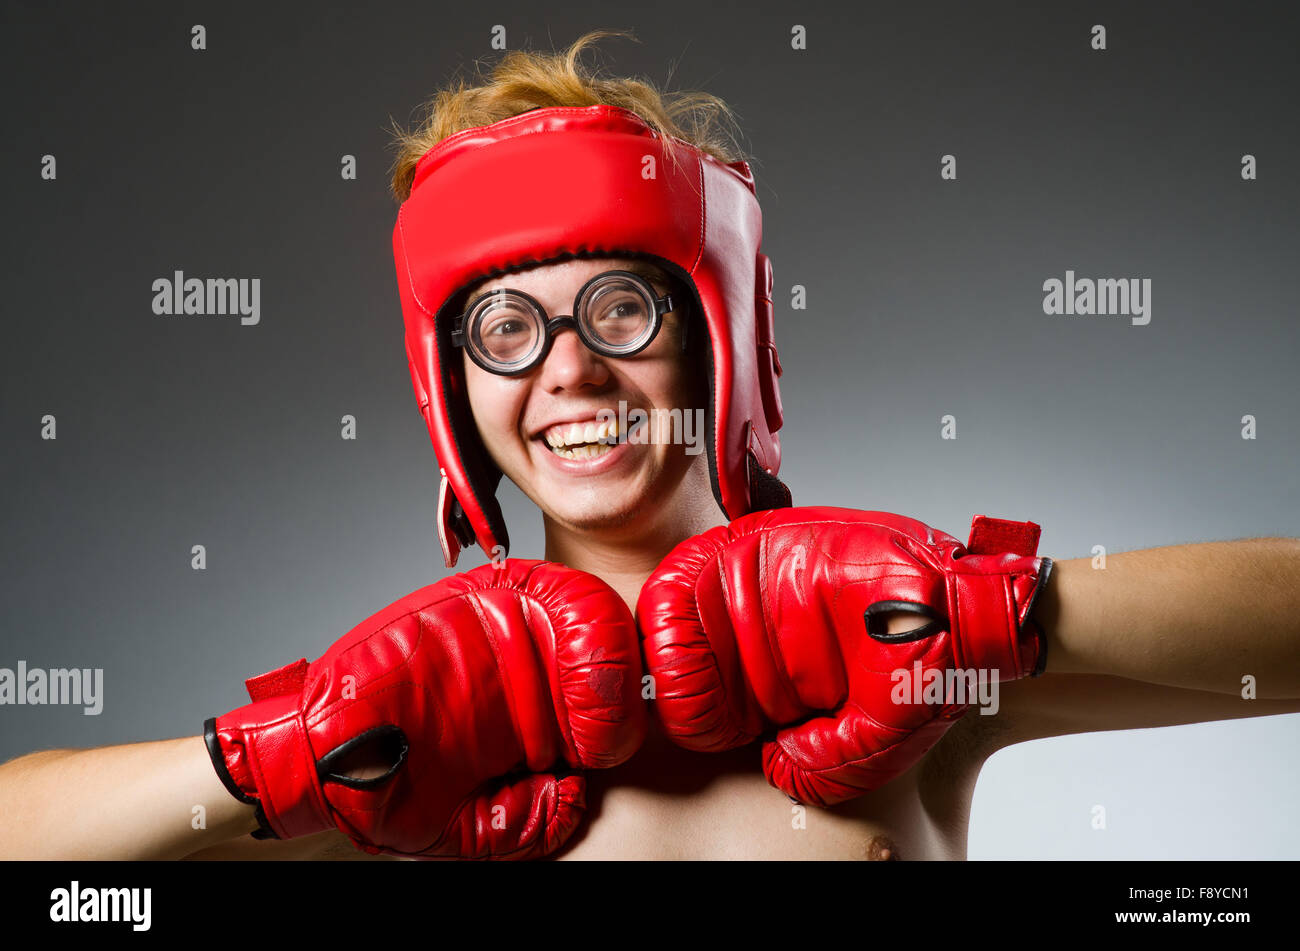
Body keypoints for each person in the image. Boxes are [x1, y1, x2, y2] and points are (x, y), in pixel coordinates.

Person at [2, 30, 1297, 862]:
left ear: (720, 341)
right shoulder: (413, 745)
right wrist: (275, 754)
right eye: (505, 328)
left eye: (622, 308)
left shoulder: (899, 672)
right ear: (454, 395)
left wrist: (980, 611)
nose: (569, 368)